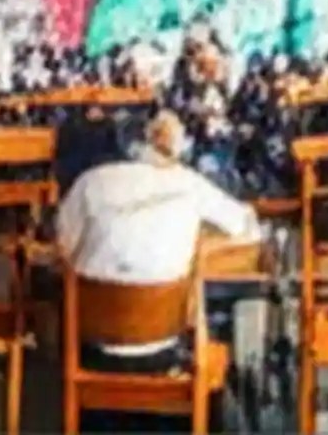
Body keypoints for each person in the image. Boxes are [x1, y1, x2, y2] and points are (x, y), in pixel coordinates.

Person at [56, 109, 260, 376]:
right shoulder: (189, 183)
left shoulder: (91, 182)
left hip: (91, 346)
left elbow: (63, 245)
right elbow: (248, 228)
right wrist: (202, 243)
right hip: (165, 346)